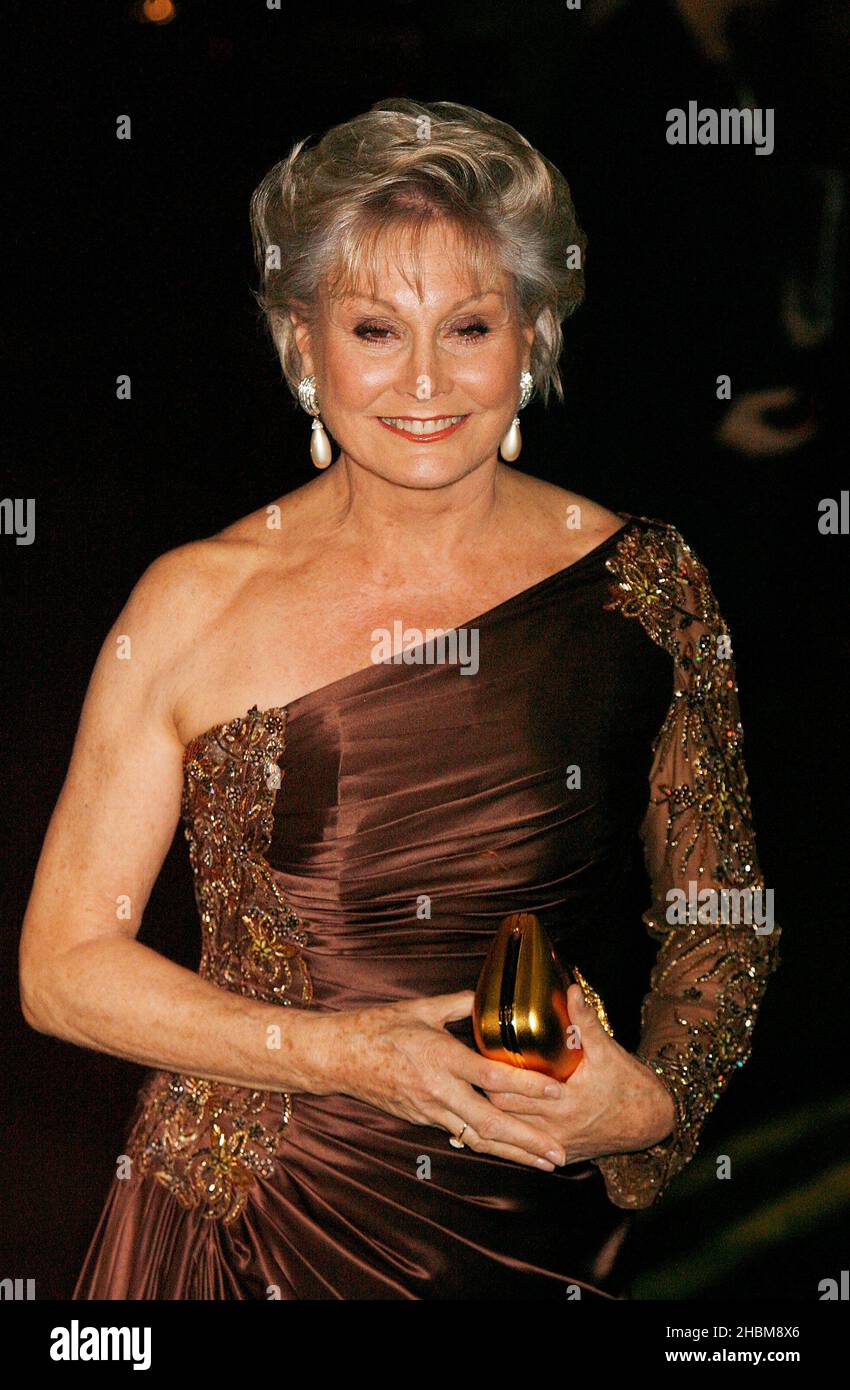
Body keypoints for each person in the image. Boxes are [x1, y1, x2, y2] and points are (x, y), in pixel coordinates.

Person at [20, 97, 781, 1300]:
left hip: (532, 1212)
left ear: (530, 337)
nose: (423, 380)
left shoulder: (646, 584)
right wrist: (340, 1056)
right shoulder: (191, 600)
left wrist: (653, 1102)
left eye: (468, 325)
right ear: (300, 344)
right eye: (375, 329)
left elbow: (721, 915)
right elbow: (62, 964)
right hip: (246, 1221)